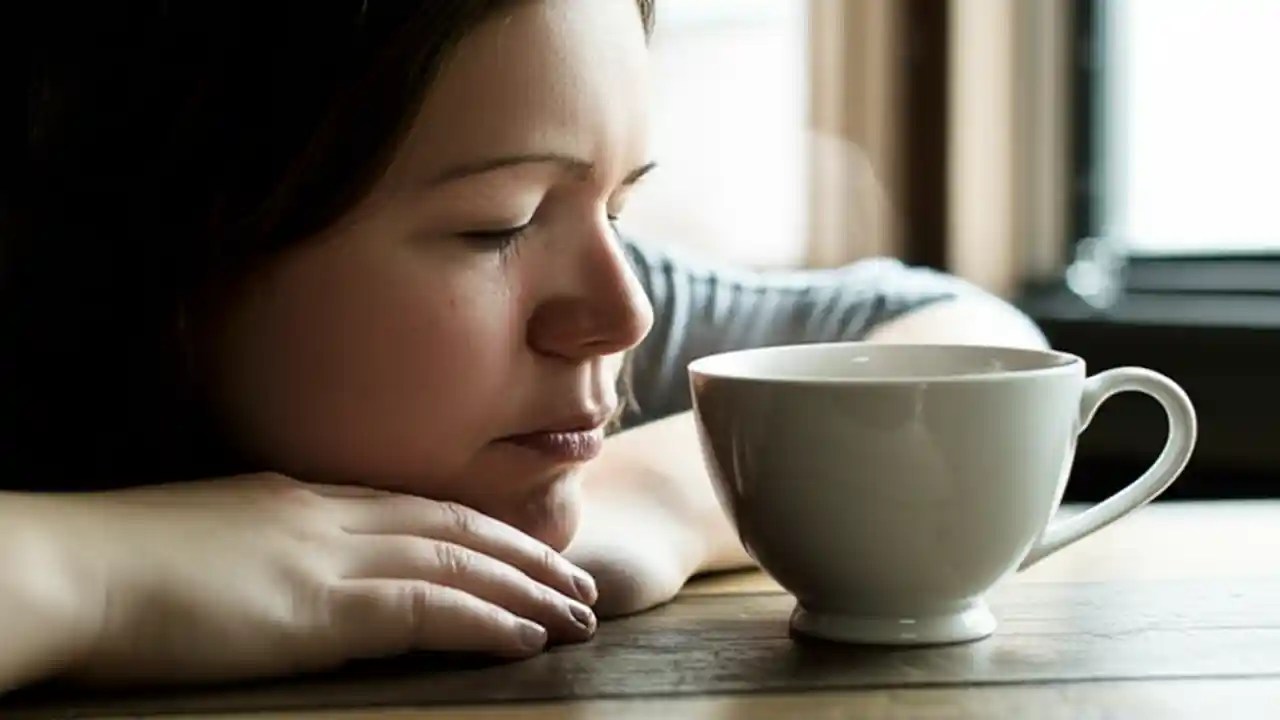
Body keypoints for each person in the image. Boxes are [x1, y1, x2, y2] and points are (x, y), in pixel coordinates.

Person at [0, 0, 1046, 693]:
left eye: (622, 208)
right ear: (175, 239)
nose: (622, 313)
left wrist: (666, 496)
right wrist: (104, 575)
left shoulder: (583, 329)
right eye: (496, 224)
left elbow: (960, 333)